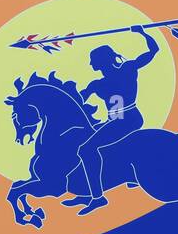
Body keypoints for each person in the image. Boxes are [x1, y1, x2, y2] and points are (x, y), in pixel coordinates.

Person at [64, 25, 160, 216]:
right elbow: (78, 101)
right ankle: (88, 190)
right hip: (113, 121)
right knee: (78, 139)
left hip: (128, 120)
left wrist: (142, 33)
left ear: (102, 61)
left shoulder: (128, 68)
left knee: (86, 149)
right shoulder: (96, 84)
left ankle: (98, 198)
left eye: (93, 61)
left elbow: (153, 50)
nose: (91, 65)